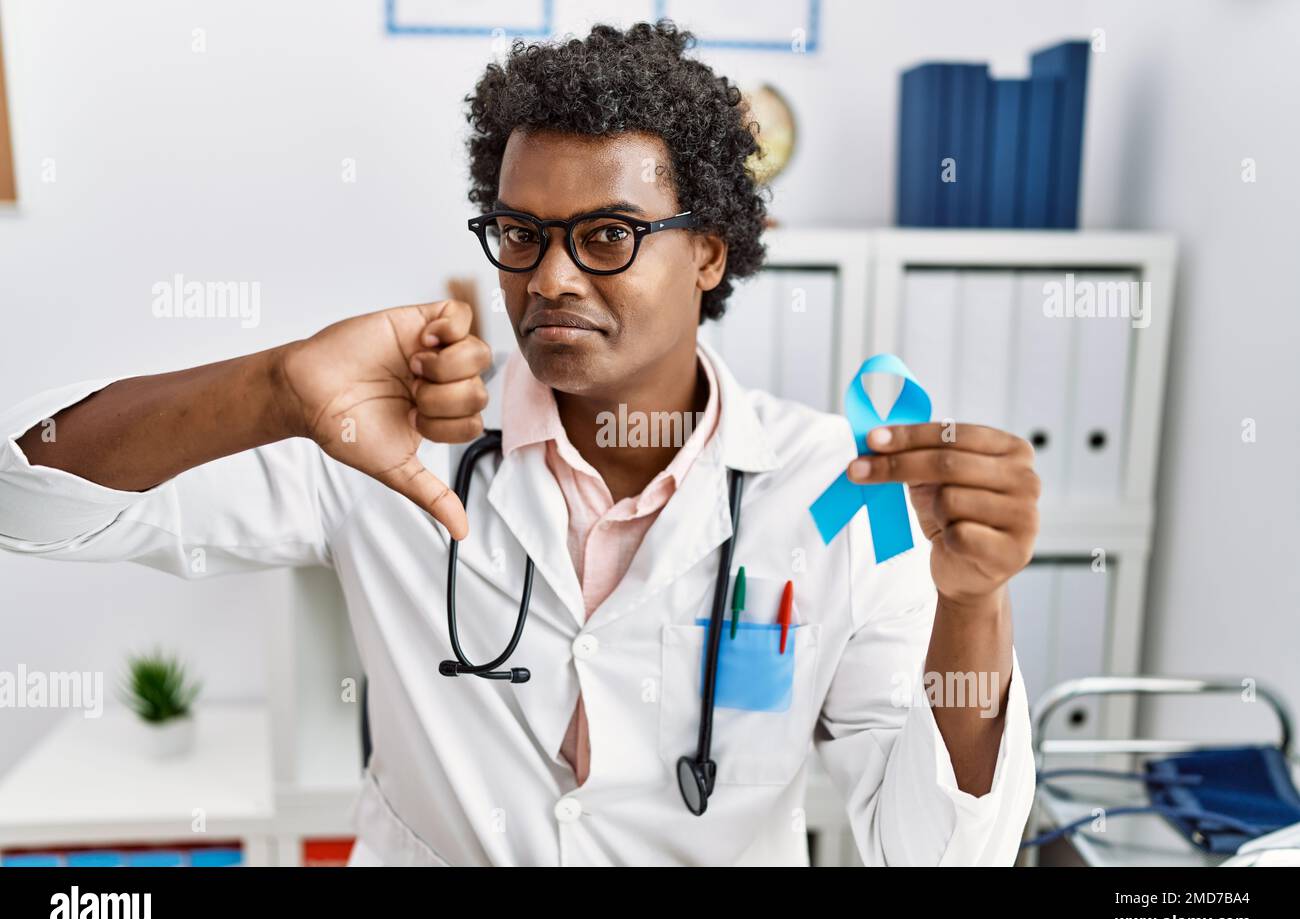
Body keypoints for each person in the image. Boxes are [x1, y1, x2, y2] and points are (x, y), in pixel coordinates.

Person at [0, 20, 1041, 865]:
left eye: (605, 235)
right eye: (518, 233)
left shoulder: (833, 487)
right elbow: (27, 497)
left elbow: (938, 853)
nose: (547, 279)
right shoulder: (391, 437)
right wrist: (272, 389)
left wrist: (971, 600)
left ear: (710, 253)